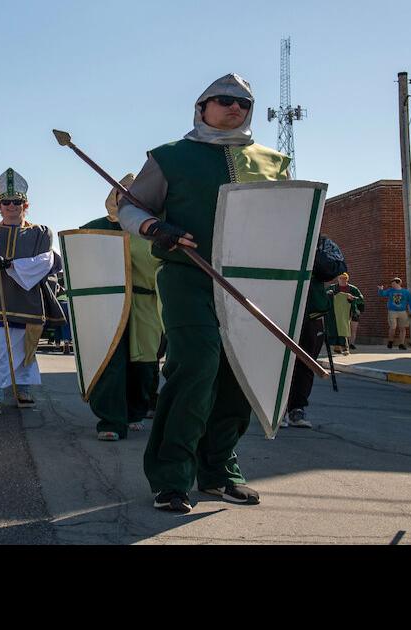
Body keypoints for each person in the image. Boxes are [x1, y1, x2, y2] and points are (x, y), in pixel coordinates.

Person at [116, 74, 290, 513]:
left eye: (244, 104)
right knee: (196, 363)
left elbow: (286, 218)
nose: (235, 108)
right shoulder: (171, 157)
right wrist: (155, 226)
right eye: (225, 100)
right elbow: (130, 205)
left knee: (238, 373)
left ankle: (219, 470)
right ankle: (171, 477)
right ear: (202, 106)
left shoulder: (274, 162)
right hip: (188, 274)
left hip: (251, 281)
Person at [0, 168, 65, 416]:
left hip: (25, 301)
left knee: (22, 347)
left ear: (25, 204)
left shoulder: (41, 232)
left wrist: (12, 266)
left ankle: (23, 388)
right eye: (5, 202)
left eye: (16, 202)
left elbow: (46, 260)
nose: (11, 206)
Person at [80, 174, 162, 441]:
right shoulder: (95, 228)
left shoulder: (153, 229)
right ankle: (111, 421)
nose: (127, 198)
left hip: (145, 302)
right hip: (107, 306)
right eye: (122, 194)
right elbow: (81, 261)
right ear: (113, 198)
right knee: (111, 361)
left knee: (143, 363)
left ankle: (135, 412)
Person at [284, 235, 347, 429]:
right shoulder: (280, 235)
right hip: (282, 311)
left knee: (306, 363)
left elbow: (335, 269)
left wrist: (312, 250)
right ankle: (275, 409)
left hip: (311, 313)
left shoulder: (322, 243)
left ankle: (296, 409)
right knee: (280, 363)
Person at [327, 273, 365, 355]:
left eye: (344, 278)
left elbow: (361, 299)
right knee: (335, 328)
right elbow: (326, 295)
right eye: (341, 278)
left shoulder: (352, 289)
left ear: (347, 279)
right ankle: (337, 347)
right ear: (338, 278)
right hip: (334, 311)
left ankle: (345, 347)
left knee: (344, 327)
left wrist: (352, 298)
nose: (342, 280)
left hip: (348, 311)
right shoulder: (332, 287)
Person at [377, 277, 411, 349]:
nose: (392, 285)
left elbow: (410, 302)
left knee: (402, 328)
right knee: (393, 327)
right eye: (392, 283)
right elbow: (383, 294)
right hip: (392, 311)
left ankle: (401, 344)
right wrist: (380, 290)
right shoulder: (390, 290)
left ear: (399, 283)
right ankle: (390, 341)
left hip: (403, 311)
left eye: (393, 283)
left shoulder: (406, 292)